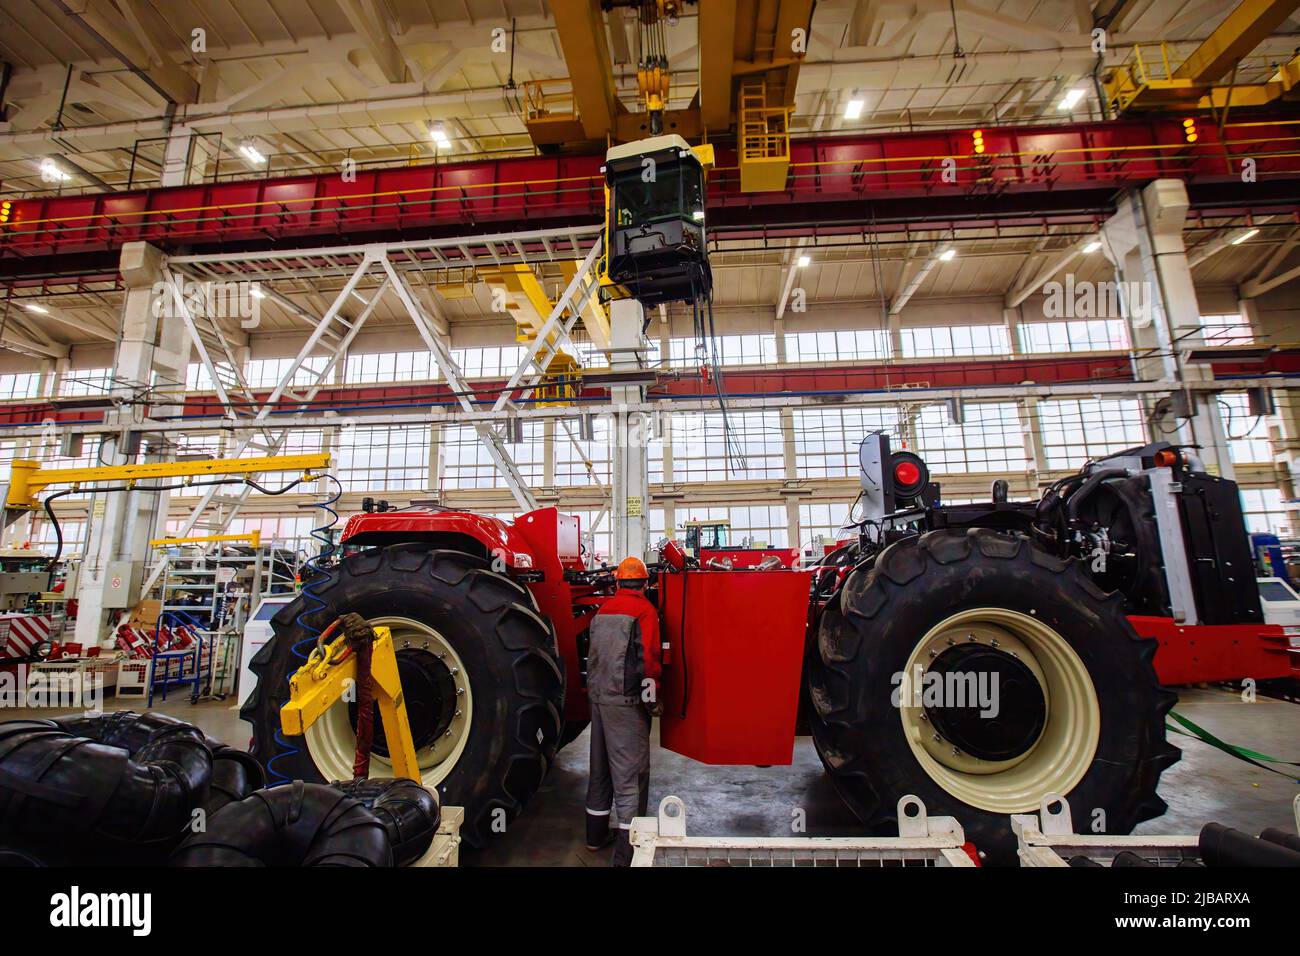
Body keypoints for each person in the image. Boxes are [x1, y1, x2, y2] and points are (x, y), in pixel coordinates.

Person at [584, 555, 662, 866]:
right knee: (631, 778)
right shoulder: (644, 610)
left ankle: (594, 837)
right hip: (626, 703)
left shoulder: (602, 610)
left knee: (600, 772)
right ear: (645, 583)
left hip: (599, 700)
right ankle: (627, 855)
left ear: (618, 582)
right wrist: (653, 700)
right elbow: (650, 660)